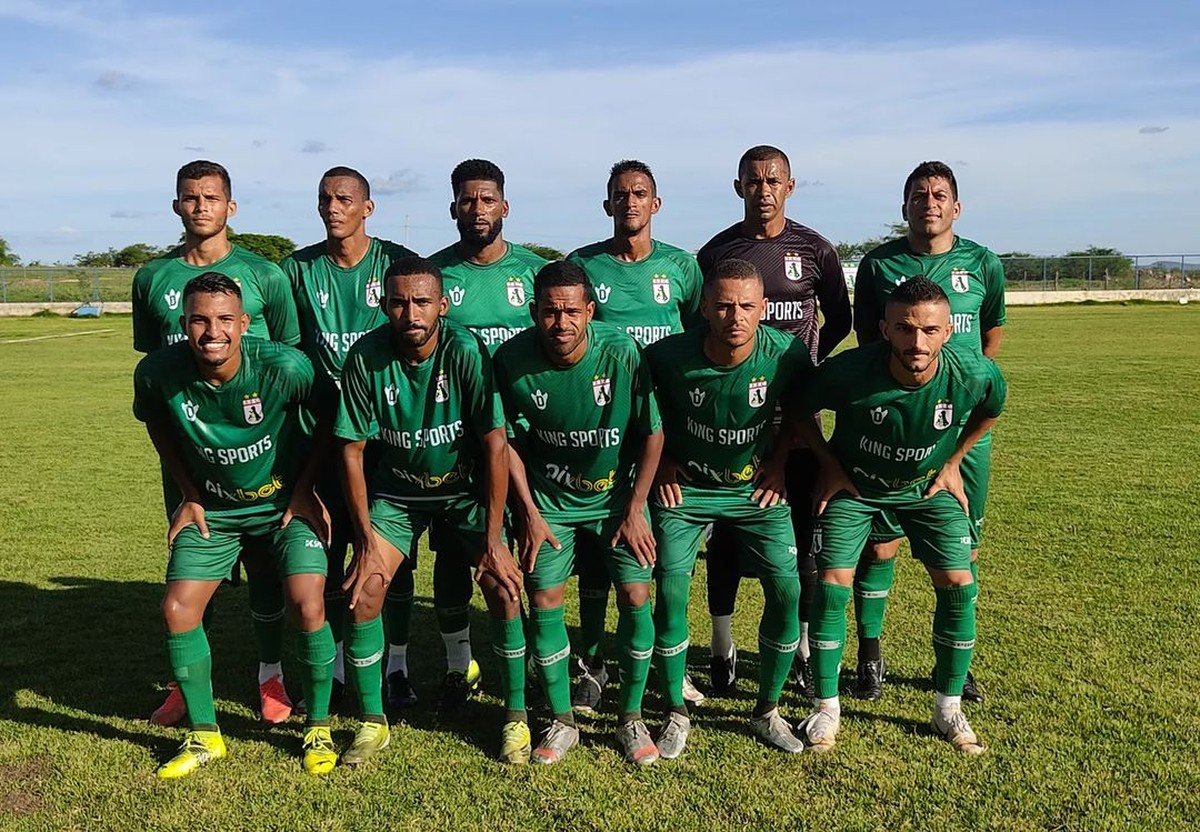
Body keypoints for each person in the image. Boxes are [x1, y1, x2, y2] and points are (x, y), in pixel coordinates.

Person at [133, 273, 336, 778]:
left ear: (244, 324)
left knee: (307, 603)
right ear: (183, 324)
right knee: (177, 610)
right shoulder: (158, 373)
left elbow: (332, 421)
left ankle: (318, 726)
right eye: (199, 320)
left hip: (282, 509)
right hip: (216, 514)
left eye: (224, 319)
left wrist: (306, 488)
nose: (212, 331)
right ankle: (205, 736)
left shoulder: (285, 368)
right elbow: (156, 422)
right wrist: (190, 494)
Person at [793, 277, 1006, 755]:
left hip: (925, 488)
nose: (918, 342)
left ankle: (948, 707)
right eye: (906, 329)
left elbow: (992, 408)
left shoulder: (973, 371)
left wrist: (953, 462)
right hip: (859, 488)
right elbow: (800, 410)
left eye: (930, 330)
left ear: (949, 330)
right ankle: (827, 707)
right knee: (832, 582)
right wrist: (829, 465)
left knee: (958, 582)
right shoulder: (848, 370)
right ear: (885, 329)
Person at [334, 257, 525, 766]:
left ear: (442, 305)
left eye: (421, 302)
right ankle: (373, 722)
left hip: (461, 492)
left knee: (504, 587)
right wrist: (366, 538)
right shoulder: (366, 356)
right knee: (364, 592)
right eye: (399, 302)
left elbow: (494, 443)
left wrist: (492, 539)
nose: (410, 312)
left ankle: (516, 718)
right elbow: (351, 451)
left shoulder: (464, 350)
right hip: (396, 495)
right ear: (383, 305)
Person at [132, 160, 300, 727]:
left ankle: (269, 675)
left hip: (262, 451)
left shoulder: (266, 275)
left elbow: (292, 359)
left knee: (266, 570)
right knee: (191, 564)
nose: (200, 206)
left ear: (231, 206)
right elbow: (154, 373)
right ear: (176, 204)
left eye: (211, 197)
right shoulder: (151, 278)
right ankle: (186, 686)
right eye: (189, 197)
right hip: (193, 454)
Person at [695, 145, 851, 698]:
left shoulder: (814, 249)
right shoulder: (716, 251)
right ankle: (721, 646)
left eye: (773, 180)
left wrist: (804, 365)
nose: (763, 189)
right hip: (733, 417)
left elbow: (840, 316)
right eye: (753, 180)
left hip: (796, 415)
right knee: (728, 535)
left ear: (790, 186)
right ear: (738, 187)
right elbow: (700, 324)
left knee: (802, 536)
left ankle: (805, 648)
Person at [494, 261, 664, 764]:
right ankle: (563, 720)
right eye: (549, 312)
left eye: (571, 311)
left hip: (616, 500)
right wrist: (528, 511)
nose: (561, 323)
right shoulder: (511, 359)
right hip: (550, 502)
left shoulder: (621, 351)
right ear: (533, 313)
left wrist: (635, 508)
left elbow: (651, 433)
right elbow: (504, 442)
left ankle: (630, 717)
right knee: (545, 596)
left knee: (636, 592)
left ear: (590, 311)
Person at [850, 160, 1006, 702]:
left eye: (940, 194)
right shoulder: (877, 265)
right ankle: (870, 653)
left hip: (961, 434)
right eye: (919, 195)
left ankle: (957, 670)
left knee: (963, 550)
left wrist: (963, 397)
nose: (930, 202)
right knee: (881, 542)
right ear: (905, 207)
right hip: (898, 427)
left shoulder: (983, 263)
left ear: (956, 206)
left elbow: (992, 335)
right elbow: (868, 340)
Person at [645, 258, 814, 756]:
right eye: (722, 304)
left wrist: (781, 462)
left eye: (745, 305)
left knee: (787, 591)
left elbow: (802, 414)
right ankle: (675, 709)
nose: (734, 315)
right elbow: (638, 411)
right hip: (688, 490)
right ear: (703, 308)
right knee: (671, 592)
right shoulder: (666, 356)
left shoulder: (786, 353)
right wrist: (663, 462)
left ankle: (767, 711)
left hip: (753, 490)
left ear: (763, 308)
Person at [564, 159, 703, 711]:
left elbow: (698, 342)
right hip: (598, 431)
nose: (630, 203)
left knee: (664, 557)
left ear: (656, 204)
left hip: (664, 437)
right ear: (607, 205)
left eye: (640, 193)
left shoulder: (682, 268)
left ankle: (668, 664)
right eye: (620, 195)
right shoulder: (583, 264)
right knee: (599, 554)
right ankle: (591, 662)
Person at [282, 166, 417, 709]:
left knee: (392, 557)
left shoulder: (395, 261)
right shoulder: (297, 268)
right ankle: (339, 664)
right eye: (324, 199)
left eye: (343, 198)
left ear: (368, 207)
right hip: (321, 436)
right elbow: (289, 353)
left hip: (386, 436)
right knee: (335, 547)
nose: (332, 207)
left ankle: (400, 665)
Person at [423, 159, 550, 711]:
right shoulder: (431, 275)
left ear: (505, 206)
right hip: (456, 441)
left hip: (529, 440)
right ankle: (460, 665)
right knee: (455, 557)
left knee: (530, 552)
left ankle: (540, 664)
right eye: (467, 201)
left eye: (487, 199)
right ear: (453, 208)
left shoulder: (534, 272)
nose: (478, 210)